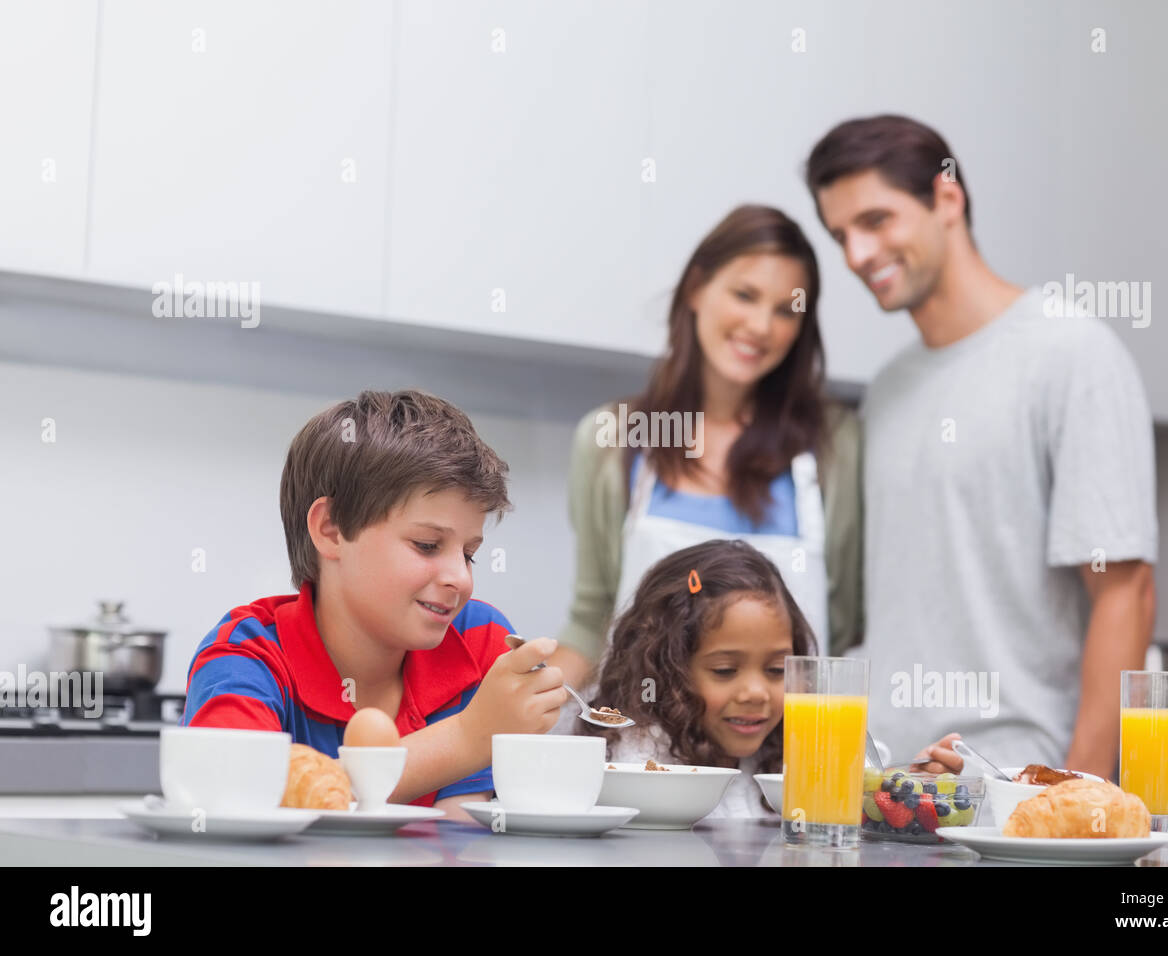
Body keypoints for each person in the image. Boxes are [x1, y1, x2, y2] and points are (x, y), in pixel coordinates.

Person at [805, 115, 1158, 779]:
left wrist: (1073, 792)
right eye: (840, 235)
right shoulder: (888, 389)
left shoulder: (1070, 353)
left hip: (1011, 786)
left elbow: (1126, 593)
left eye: (876, 220)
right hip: (886, 785)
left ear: (947, 198)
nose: (855, 255)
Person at [180, 389, 568, 821]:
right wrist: (467, 737)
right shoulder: (246, 654)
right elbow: (234, 789)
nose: (460, 578)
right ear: (331, 530)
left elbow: (458, 838)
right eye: (427, 545)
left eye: (469, 553)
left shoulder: (478, 640)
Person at [553, 204, 864, 690]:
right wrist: (517, 708)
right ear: (696, 288)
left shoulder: (834, 447)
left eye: (786, 310)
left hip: (789, 762)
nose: (761, 326)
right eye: (745, 295)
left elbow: (840, 627)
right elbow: (594, 619)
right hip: (644, 758)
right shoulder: (614, 438)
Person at [559, 539, 962, 819]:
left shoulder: (796, 749)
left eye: (775, 670)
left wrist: (912, 789)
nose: (756, 693)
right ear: (666, 669)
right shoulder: (630, 758)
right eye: (725, 671)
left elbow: (861, 795)